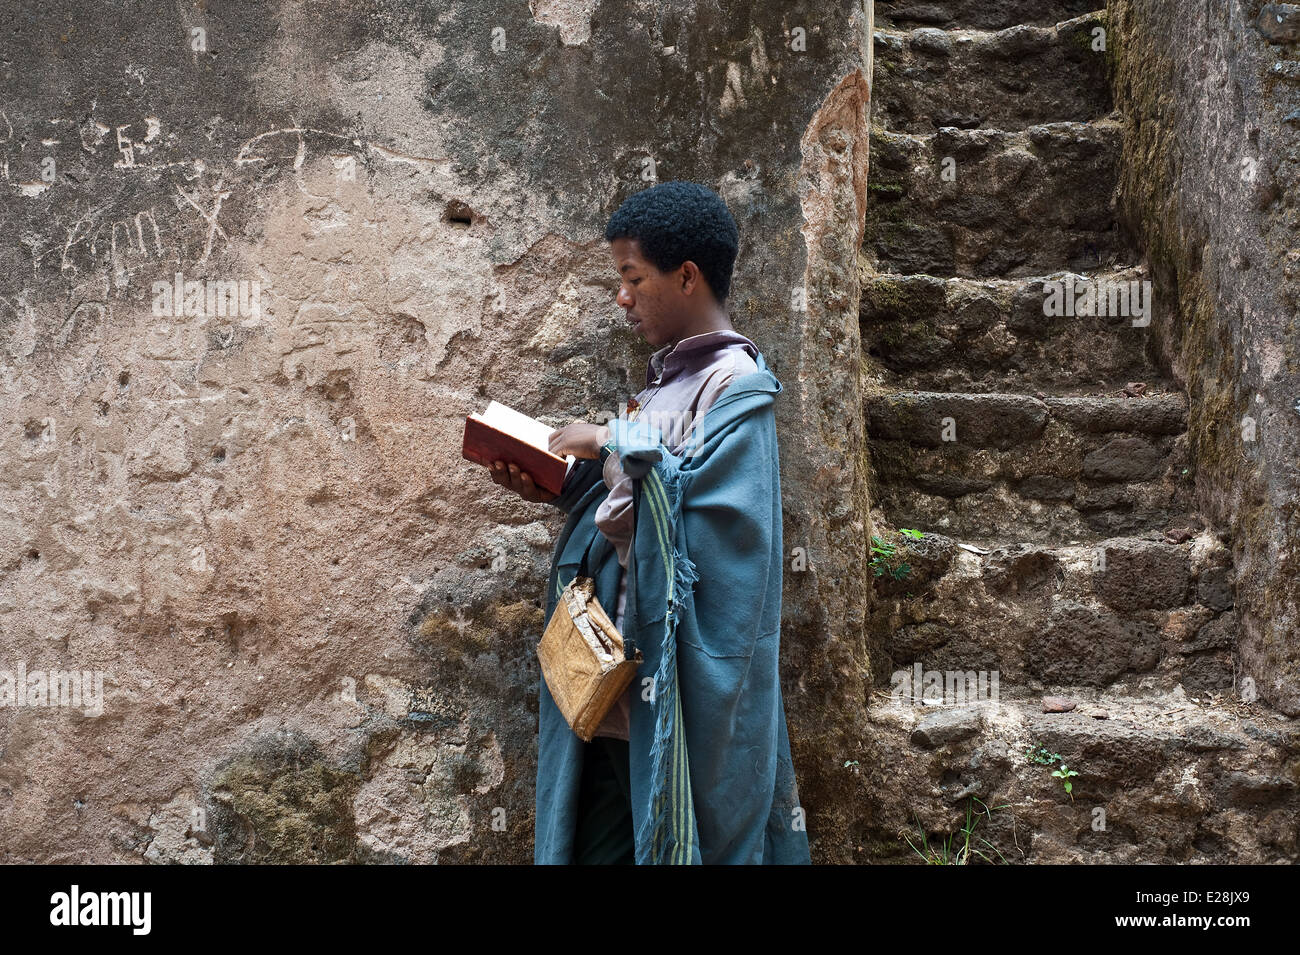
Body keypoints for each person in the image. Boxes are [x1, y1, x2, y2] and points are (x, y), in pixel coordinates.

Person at [490, 180, 810, 864]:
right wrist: (559, 481)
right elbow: (637, 503)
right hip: (613, 700)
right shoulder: (669, 382)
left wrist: (610, 440)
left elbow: (706, 536)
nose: (622, 298)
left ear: (687, 274)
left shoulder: (736, 389)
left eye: (633, 278)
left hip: (671, 709)